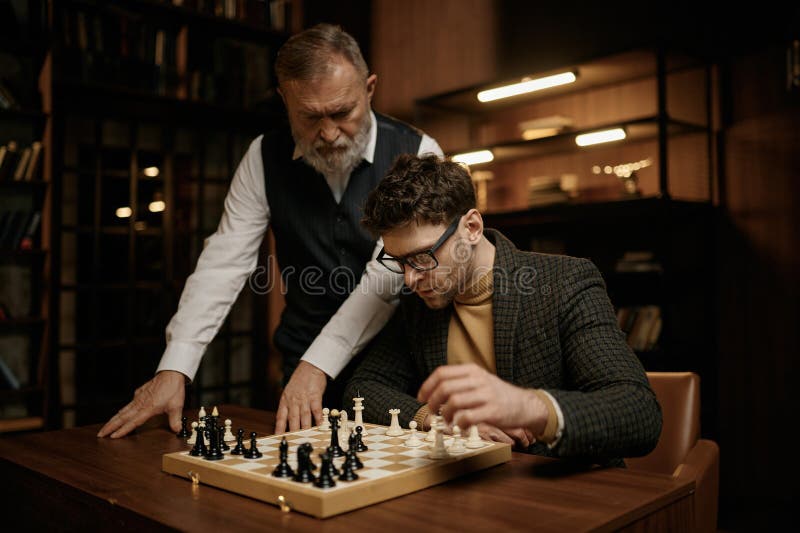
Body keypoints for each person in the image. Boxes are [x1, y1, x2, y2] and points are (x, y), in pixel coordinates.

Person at [97, 24, 442, 438]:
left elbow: (387, 275)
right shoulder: (262, 157)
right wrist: (176, 365)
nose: (329, 133)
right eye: (310, 117)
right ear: (284, 99)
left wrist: (317, 365)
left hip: (398, 366)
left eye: (342, 113)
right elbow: (224, 264)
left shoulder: (420, 153)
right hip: (302, 362)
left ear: (369, 89)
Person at [344, 154, 661, 464]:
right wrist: (439, 419)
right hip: (469, 490)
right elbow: (363, 388)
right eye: (398, 261)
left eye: (423, 256)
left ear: (471, 227)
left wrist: (527, 407)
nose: (410, 278)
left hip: (567, 493)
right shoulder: (420, 301)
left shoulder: (565, 283)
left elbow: (639, 413)